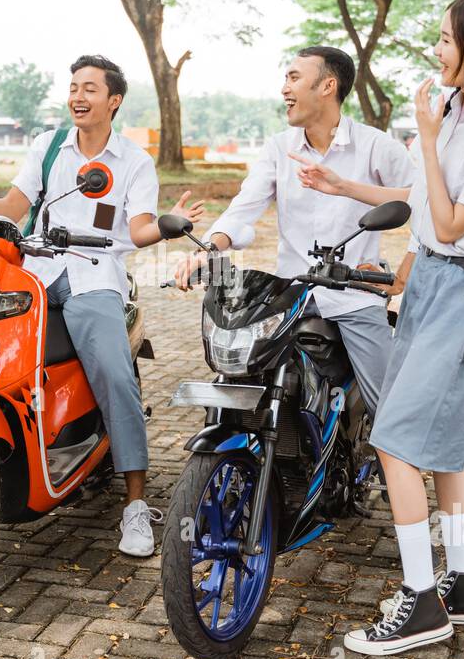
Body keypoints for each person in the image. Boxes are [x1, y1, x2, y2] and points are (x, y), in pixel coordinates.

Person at [295, 0, 464, 655]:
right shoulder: (456, 113)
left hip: (462, 293)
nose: (436, 50)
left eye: (446, 40)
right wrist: (343, 187)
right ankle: (462, 585)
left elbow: (455, 221)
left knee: (396, 441)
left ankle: (421, 602)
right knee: (449, 448)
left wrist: (426, 141)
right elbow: (420, 206)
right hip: (429, 281)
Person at [0, 54, 203, 557]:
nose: (78, 96)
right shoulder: (49, 146)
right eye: (74, 87)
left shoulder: (134, 162)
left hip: (92, 275)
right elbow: (14, 208)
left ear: (113, 100)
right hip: (34, 271)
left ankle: (135, 505)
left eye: (90, 89)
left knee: (116, 377)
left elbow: (138, 229)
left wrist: (169, 223)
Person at [173, 46, 408, 415]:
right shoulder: (279, 148)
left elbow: (423, 202)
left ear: (328, 86)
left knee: (390, 409)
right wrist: (209, 248)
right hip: (290, 294)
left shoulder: (376, 146)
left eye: (294, 77)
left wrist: (403, 273)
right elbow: (243, 208)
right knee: (242, 375)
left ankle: (392, 466)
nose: (285, 88)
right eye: (285, 78)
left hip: (354, 295)